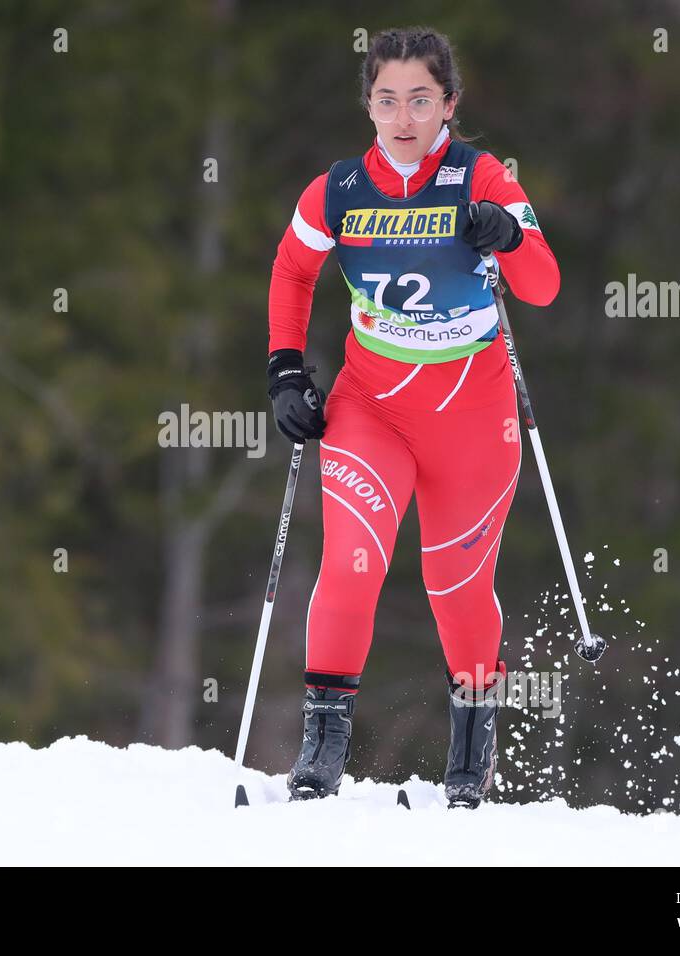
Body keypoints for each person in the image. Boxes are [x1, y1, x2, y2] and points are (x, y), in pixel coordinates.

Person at [266, 26, 560, 808]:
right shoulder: (336, 192)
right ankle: (322, 752)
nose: (403, 118)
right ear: (368, 105)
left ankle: (470, 754)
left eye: (421, 101)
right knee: (351, 564)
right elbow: (294, 271)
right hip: (373, 407)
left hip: (474, 412)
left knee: (455, 586)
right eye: (388, 100)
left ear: (449, 106)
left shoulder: (482, 175)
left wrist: (507, 231)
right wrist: (285, 369)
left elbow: (543, 285)